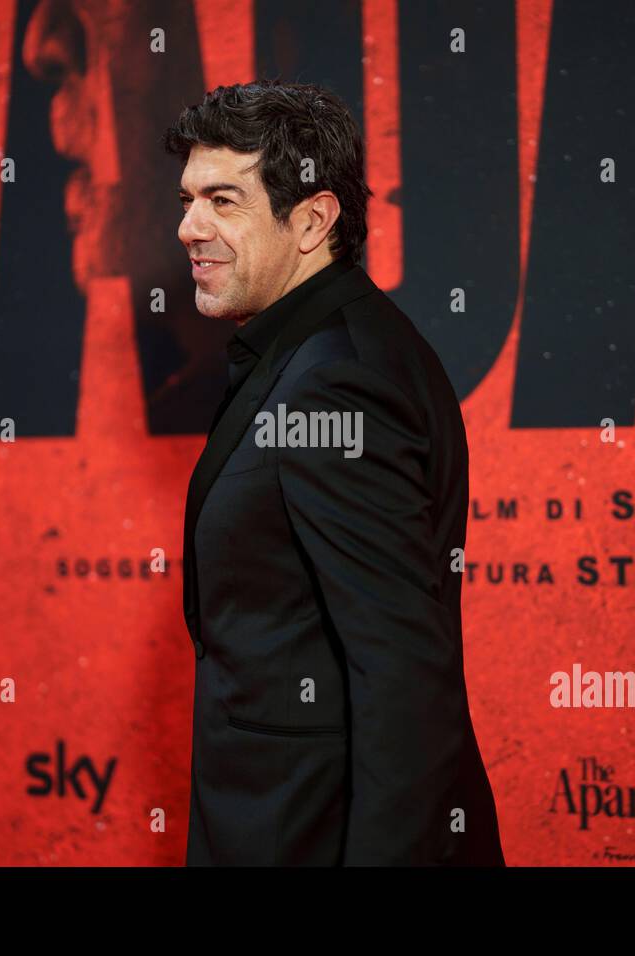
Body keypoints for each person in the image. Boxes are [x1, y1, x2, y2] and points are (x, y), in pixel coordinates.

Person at [166, 79, 505, 866]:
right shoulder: (321, 350)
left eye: (223, 200)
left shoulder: (336, 379)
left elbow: (404, 676)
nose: (188, 227)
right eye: (186, 199)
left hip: (313, 834)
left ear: (314, 220)